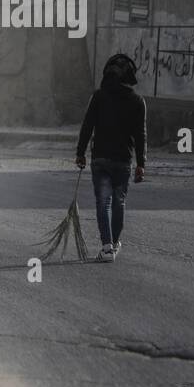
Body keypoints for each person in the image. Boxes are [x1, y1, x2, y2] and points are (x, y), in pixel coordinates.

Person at [76, 54, 146, 263]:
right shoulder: (137, 101)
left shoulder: (99, 96)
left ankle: (107, 247)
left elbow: (87, 126)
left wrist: (80, 153)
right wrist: (141, 163)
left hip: (101, 160)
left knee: (103, 202)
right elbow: (141, 135)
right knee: (119, 202)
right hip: (123, 160)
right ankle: (113, 245)